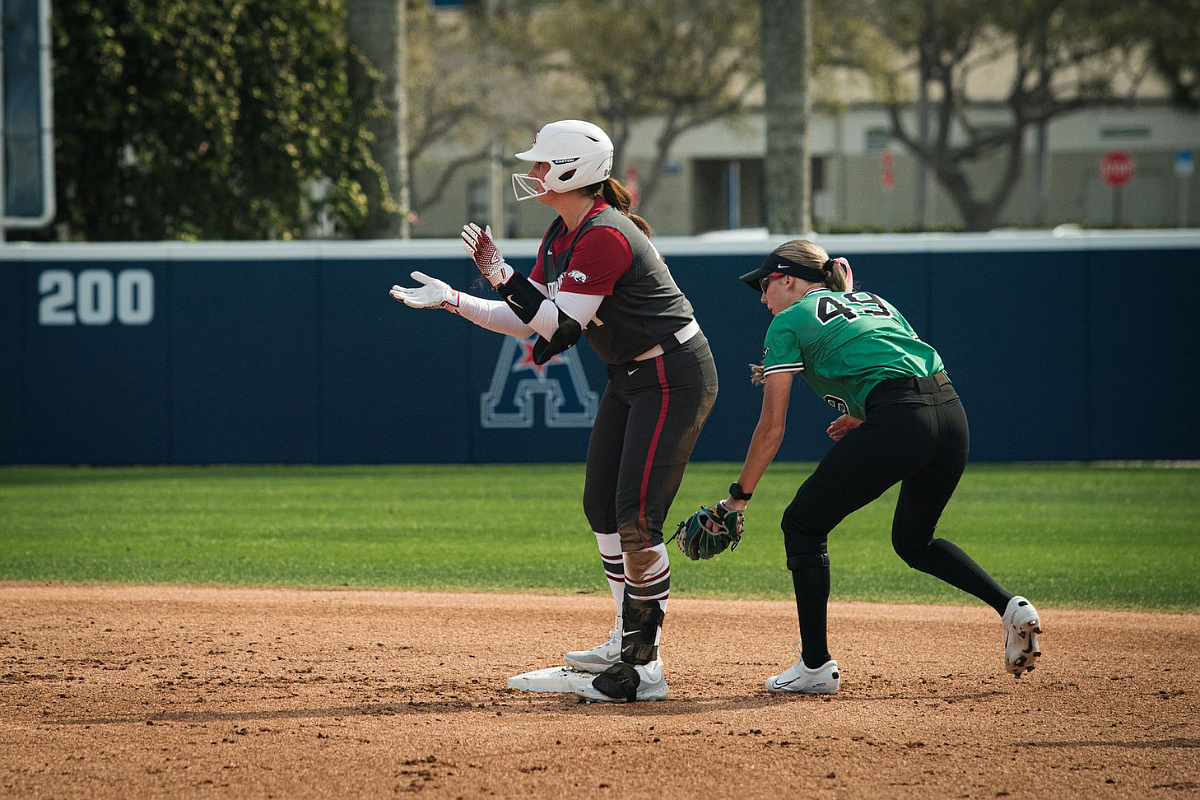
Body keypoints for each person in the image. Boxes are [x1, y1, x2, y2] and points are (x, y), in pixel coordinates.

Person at [389, 120, 718, 703]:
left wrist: (498, 273)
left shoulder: (604, 234)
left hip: (673, 374)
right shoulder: (562, 231)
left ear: (574, 170)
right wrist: (455, 300)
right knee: (601, 505)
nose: (536, 173)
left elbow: (557, 325)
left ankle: (643, 667)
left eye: (544, 164)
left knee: (637, 520)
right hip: (633, 374)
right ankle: (624, 639)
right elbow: (529, 318)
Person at [715, 238, 1041, 695]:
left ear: (787, 278)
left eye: (764, 286)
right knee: (914, 541)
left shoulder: (788, 321)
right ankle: (1012, 609)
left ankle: (814, 666)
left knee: (803, 524)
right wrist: (866, 413)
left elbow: (771, 427)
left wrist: (738, 497)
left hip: (902, 418)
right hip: (950, 413)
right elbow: (899, 365)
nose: (763, 298)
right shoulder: (874, 301)